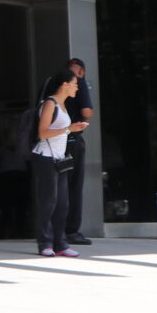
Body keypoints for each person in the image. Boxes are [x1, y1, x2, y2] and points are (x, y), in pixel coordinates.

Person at [29, 69, 86, 257]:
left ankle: (60, 244)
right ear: (65, 85)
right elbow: (42, 133)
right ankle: (44, 243)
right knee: (48, 202)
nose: (77, 87)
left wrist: (71, 129)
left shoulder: (63, 105)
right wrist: (68, 128)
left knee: (63, 203)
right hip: (45, 157)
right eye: (75, 84)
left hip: (60, 158)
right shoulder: (50, 103)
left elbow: (60, 131)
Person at [62, 56, 96, 245]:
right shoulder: (79, 83)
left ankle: (54, 228)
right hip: (72, 140)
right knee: (74, 186)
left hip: (54, 141)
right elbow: (86, 112)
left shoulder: (53, 84)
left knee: (59, 186)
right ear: (81, 71)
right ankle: (71, 230)